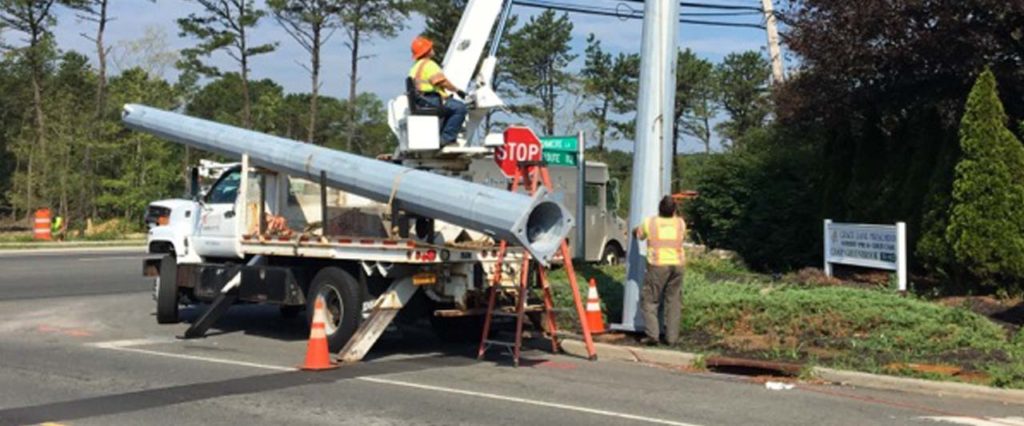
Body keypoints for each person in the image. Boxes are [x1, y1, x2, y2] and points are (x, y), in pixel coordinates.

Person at [634, 195, 687, 346]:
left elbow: (639, 235)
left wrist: (633, 231)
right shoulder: (680, 223)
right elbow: (682, 236)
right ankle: (672, 338)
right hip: (678, 265)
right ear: (674, 210)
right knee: (673, 301)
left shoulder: (651, 222)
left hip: (658, 265)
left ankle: (652, 336)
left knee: (650, 300)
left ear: (659, 209)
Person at [408, 36, 468, 146]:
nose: (433, 49)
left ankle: (440, 136)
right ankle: (446, 139)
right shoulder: (429, 64)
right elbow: (441, 82)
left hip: (421, 101)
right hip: (431, 99)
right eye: (431, 48)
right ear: (427, 51)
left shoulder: (415, 67)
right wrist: (458, 91)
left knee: (450, 107)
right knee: (460, 108)